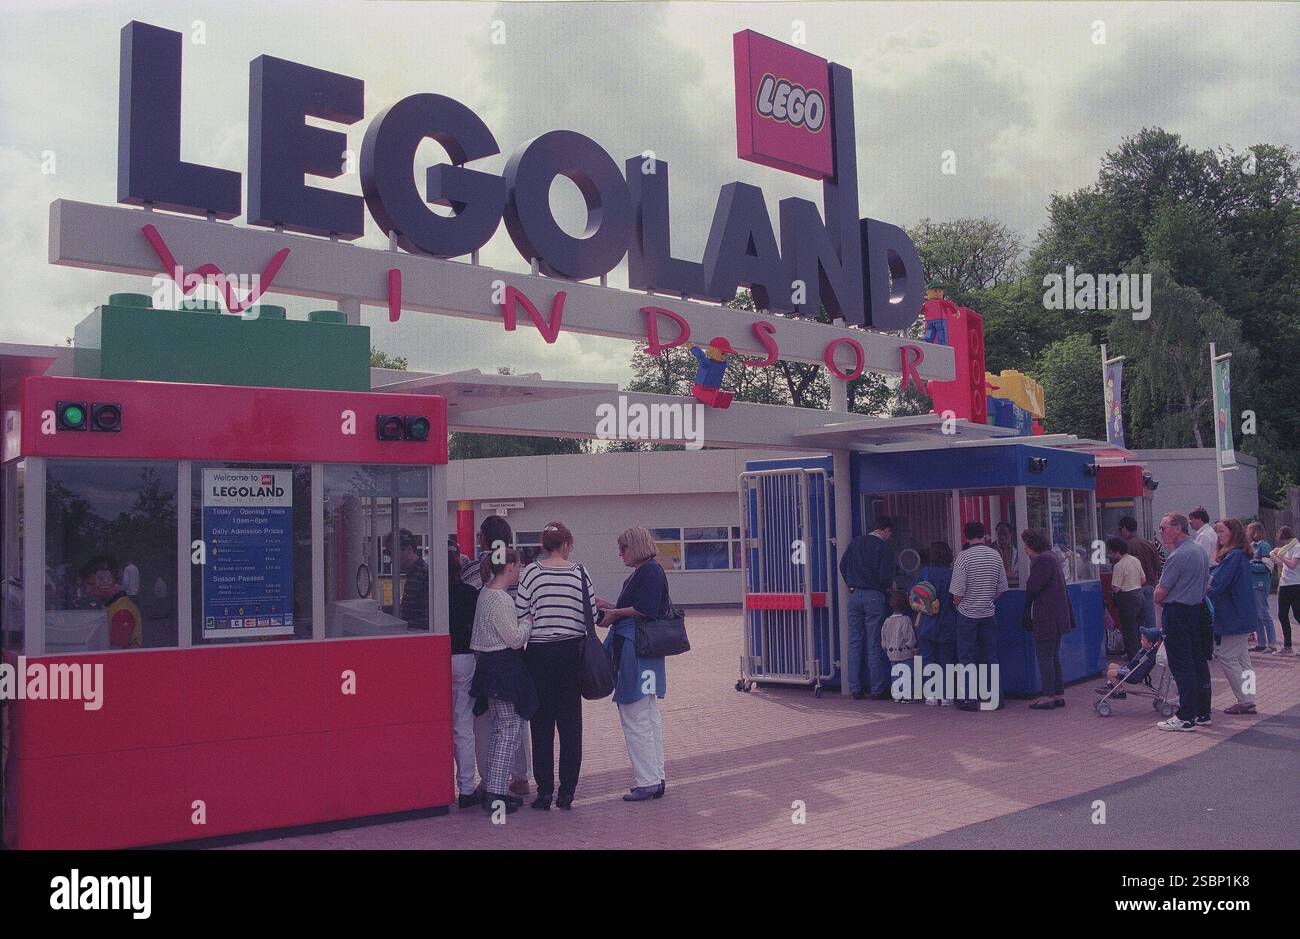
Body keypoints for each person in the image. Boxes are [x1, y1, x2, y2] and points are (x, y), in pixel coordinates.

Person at [515, 521, 596, 810]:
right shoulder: (579, 572)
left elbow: (520, 610)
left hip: (538, 655)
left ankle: (545, 792)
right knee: (570, 725)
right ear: (565, 544)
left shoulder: (531, 573)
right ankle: (567, 793)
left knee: (541, 725)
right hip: (571, 654)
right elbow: (592, 613)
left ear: (543, 545)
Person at [597, 527, 669, 802]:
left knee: (634, 714)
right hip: (646, 651)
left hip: (635, 650)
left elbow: (645, 609)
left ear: (635, 547)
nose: (620, 554)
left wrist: (613, 612)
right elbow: (644, 607)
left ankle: (647, 780)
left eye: (623, 548)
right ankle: (655, 776)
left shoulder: (647, 572)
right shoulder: (651, 570)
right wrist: (612, 606)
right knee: (647, 715)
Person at [463, 515, 533, 797]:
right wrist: (526, 621)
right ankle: (519, 776)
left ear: (482, 538)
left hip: (482, 654)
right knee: (515, 720)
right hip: (510, 653)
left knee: (487, 723)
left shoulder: (473, 572)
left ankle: (490, 780)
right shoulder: (522, 573)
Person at [1154, 513, 1211, 731]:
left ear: (1178, 528)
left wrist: (1158, 596)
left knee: (1181, 664)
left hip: (1177, 612)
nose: (1161, 532)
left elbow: (1161, 590)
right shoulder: (1199, 551)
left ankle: (1186, 716)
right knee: (1198, 661)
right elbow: (1206, 584)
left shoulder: (1177, 555)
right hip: (1196, 610)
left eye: (1163, 527)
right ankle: (1202, 712)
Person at [838, 516, 897, 700]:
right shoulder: (884, 547)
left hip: (854, 595)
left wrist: (850, 583)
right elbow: (885, 575)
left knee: (854, 642)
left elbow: (842, 565)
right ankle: (877, 689)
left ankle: (854, 687)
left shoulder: (856, 542)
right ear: (885, 530)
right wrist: (888, 587)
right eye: (890, 533)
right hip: (874, 596)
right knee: (874, 643)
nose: (890, 537)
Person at [950, 521, 1007, 711]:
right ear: (984, 534)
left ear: (966, 536)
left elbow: (957, 592)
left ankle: (970, 698)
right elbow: (1001, 588)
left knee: (967, 656)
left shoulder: (963, 558)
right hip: (988, 613)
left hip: (967, 613)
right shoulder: (995, 555)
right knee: (991, 656)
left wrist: (958, 604)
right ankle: (995, 697)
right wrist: (986, 598)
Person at [1208, 519, 1259, 715]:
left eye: (1222, 531)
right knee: (1242, 658)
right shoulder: (1240, 555)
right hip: (1243, 613)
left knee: (1227, 656)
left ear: (1233, 533)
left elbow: (1217, 584)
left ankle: (1245, 701)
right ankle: (1249, 697)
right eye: (1217, 532)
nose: (1218, 535)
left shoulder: (1233, 556)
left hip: (1233, 615)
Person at [1022, 528, 1074, 710]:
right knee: (1053, 655)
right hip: (1057, 614)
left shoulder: (1041, 560)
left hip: (1046, 615)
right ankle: (1058, 693)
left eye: (1026, 546)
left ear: (1031, 545)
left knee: (1044, 655)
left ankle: (1048, 695)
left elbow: (1032, 587)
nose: (1025, 549)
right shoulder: (1052, 557)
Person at [447, 548, 481, 808]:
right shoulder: (470, 594)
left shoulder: (431, 595)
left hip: (432, 659)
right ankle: (467, 788)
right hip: (465, 659)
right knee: (462, 725)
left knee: (436, 724)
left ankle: (436, 785)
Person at [915, 541, 959, 706]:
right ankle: (947, 695)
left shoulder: (924, 573)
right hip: (948, 621)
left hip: (926, 621)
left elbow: (913, 595)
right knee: (946, 659)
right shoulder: (952, 574)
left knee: (928, 659)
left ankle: (931, 694)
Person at [79, 556, 142, 649]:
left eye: (91, 584)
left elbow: (114, 654)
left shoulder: (122, 612)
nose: (88, 590)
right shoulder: (112, 606)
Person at [1119, 516, 1162, 632]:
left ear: (1124, 528)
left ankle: (1138, 643)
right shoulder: (1149, 544)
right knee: (1150, 617)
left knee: (1134, 619)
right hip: (1149, 585)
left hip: (1134, 588)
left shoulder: (1126, 546)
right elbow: (1158, 565)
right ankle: (1152, 641)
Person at [1106, 536, 1146, 659]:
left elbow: (1116, 588)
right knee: (1138, 627)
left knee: (1129, 630)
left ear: (1116, 550)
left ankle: (1133, 656)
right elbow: (1143, 579)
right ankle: (1142, 653)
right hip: (1139, 594)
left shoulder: (1119, 565)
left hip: (1127, 598)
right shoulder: (1135, 560)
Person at [1098, 626, 1163, 697]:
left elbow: (1137, 665)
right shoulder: (1146, 651)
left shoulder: (1148, 656)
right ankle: (1111, 684)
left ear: (1150, 644)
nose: (1141, 641)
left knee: (1110, 673)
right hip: (1130, 670)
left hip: (1133, 675)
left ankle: (1120, 691)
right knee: (1111, 665)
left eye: (1143, 640)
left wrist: (1126, 668)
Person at [382, 529, 428, 630]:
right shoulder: (416, 573)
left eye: (393, 554)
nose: (391, 561)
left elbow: (428, 617)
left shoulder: (423, 574)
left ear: (409, 550)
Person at [1245, 522, 1277, 653]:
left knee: (1264, 613)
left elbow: (1267, 567)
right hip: (1251, 584)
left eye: (1248, 530)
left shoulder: (1264, 546)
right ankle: (1261, 643)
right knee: (1256, 615)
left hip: (1260, 584)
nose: (1246, 532)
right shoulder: (1251, 546)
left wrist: (1249, 565)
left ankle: (1272, 644)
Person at [881, 590, 917, 700]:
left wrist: (886, 649)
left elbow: (884, 638)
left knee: (895, 675)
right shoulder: (905, 619)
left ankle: (897, 695)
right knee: (906, 675)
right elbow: (909, 637)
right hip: (905, 653)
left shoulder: (886, 621)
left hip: (891, 653)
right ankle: (906, 696)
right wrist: (913, 648)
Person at [1270, 526, 1299, 655]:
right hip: (1285, 584)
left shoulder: (1297, 547)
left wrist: (1281, 557)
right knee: (1282, 615)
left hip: (1295, 584)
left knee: (1298, 615)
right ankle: (1287, 646)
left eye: (1282, 539)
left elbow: (1292, 565)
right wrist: (1278, 560)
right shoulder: (1286, 548)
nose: (1282, 542)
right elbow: (1286, 565)